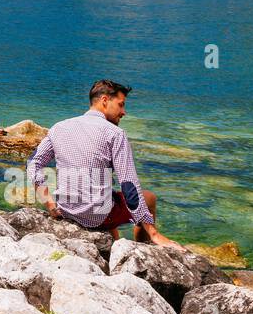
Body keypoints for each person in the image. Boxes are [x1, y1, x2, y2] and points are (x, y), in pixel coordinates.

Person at [26, 79, 179, 246]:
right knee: (149, 198)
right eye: (121, 105)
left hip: (66, 210)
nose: (124, 112)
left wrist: (49, 203)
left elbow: (33, 164)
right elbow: (129, 185)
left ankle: (114, 246)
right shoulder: (115, 133)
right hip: (97, 216)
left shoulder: (59, 127)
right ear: (105, 100)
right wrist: (153, 231)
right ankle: (145, 246)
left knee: (106, 195)